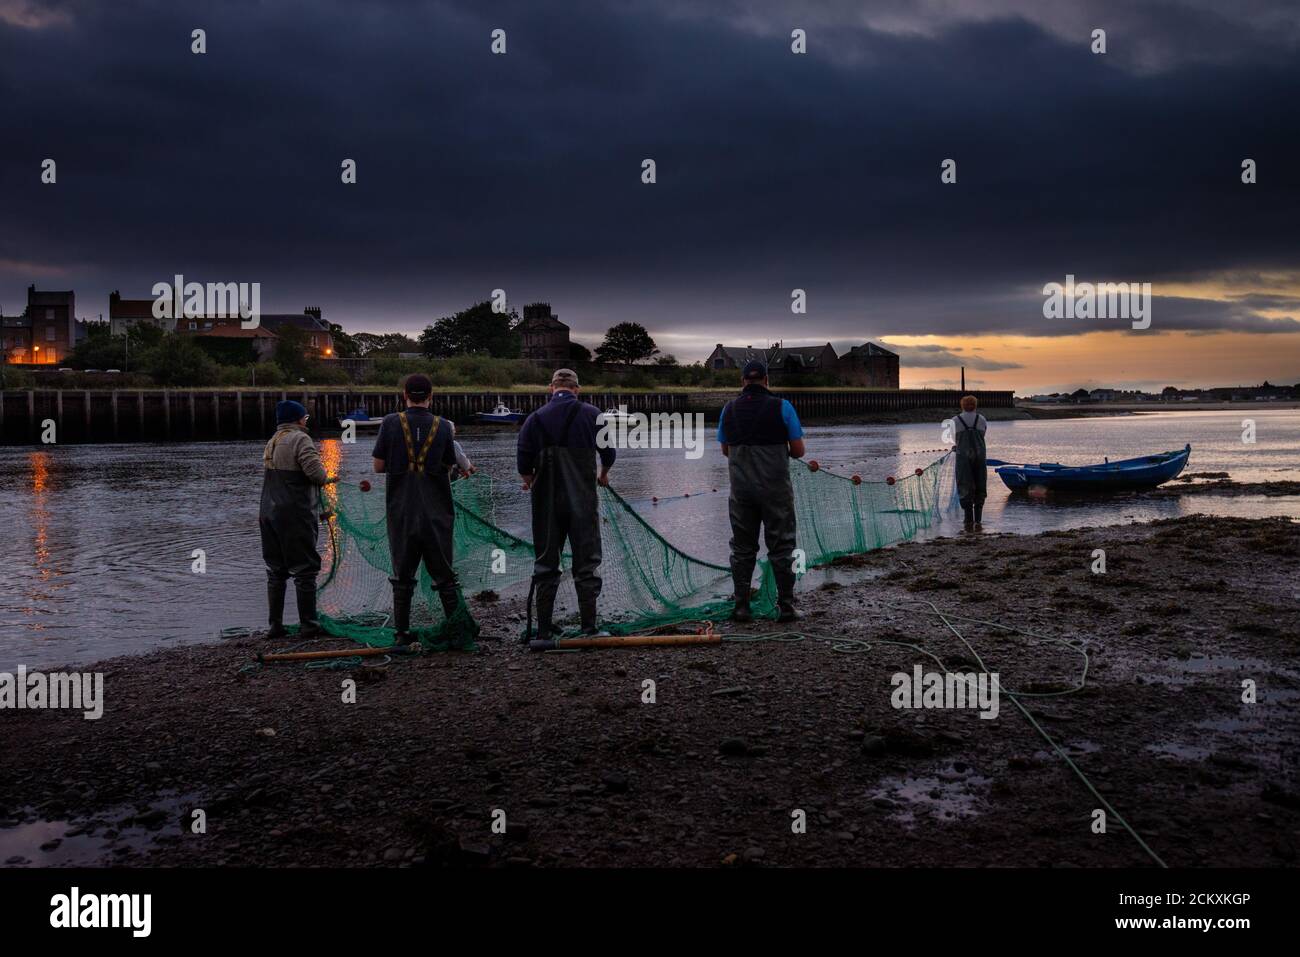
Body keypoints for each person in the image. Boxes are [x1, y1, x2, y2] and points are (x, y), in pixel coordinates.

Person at [517, 368, 614, 639]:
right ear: (577, 389)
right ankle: (589, 628)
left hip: (546, 504)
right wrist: (603, 475)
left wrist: (532, 482)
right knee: (586, 563)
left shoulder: (534, 419)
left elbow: (523, 464)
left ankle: (544, 631)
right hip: (582, 502)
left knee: (546, 564)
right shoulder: (593, 415)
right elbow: (609, 454)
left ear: (551, 389)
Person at [372, 373, 465, 646]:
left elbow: (378, 467)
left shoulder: (390, 422)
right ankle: (457, 630)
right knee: (445, 575)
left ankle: (401, 634)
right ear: (431, 396)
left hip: (402, 512)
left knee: (402, 576)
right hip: (437, 513)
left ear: (405, 395)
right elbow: (450, 466)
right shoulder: (444, 426)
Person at [717, 360, 806, 623]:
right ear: (766, 381)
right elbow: (799, 451)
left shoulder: (729, 409)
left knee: (743, 548)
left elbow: (725, 450)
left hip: (741, 492)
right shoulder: (782, 407)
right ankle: (787, 607)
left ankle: (742, 607)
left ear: (743, 381)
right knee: (782, 546)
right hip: (775, 490)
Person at [260, 399, 334, 640]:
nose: (306, 421)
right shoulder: (300, 439)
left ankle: (275, 626)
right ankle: (309, 626)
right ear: (297, 419)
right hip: (295, 514)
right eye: (305, 417)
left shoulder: (273, 441)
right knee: (305, 569)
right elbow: (317, 474)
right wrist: (329, 479)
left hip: (268, 514)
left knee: (276, 569)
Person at [951, 394, 988, 530]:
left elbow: (954, 438)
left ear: (962, 405)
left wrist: (957, 446)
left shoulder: (955, 420)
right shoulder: (982, 419)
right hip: (979, 456)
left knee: (964, 484)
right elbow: (983, 434)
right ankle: (978, 521)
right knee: (980, 485)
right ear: (975, 405)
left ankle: (968, 520)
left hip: (963, 457)